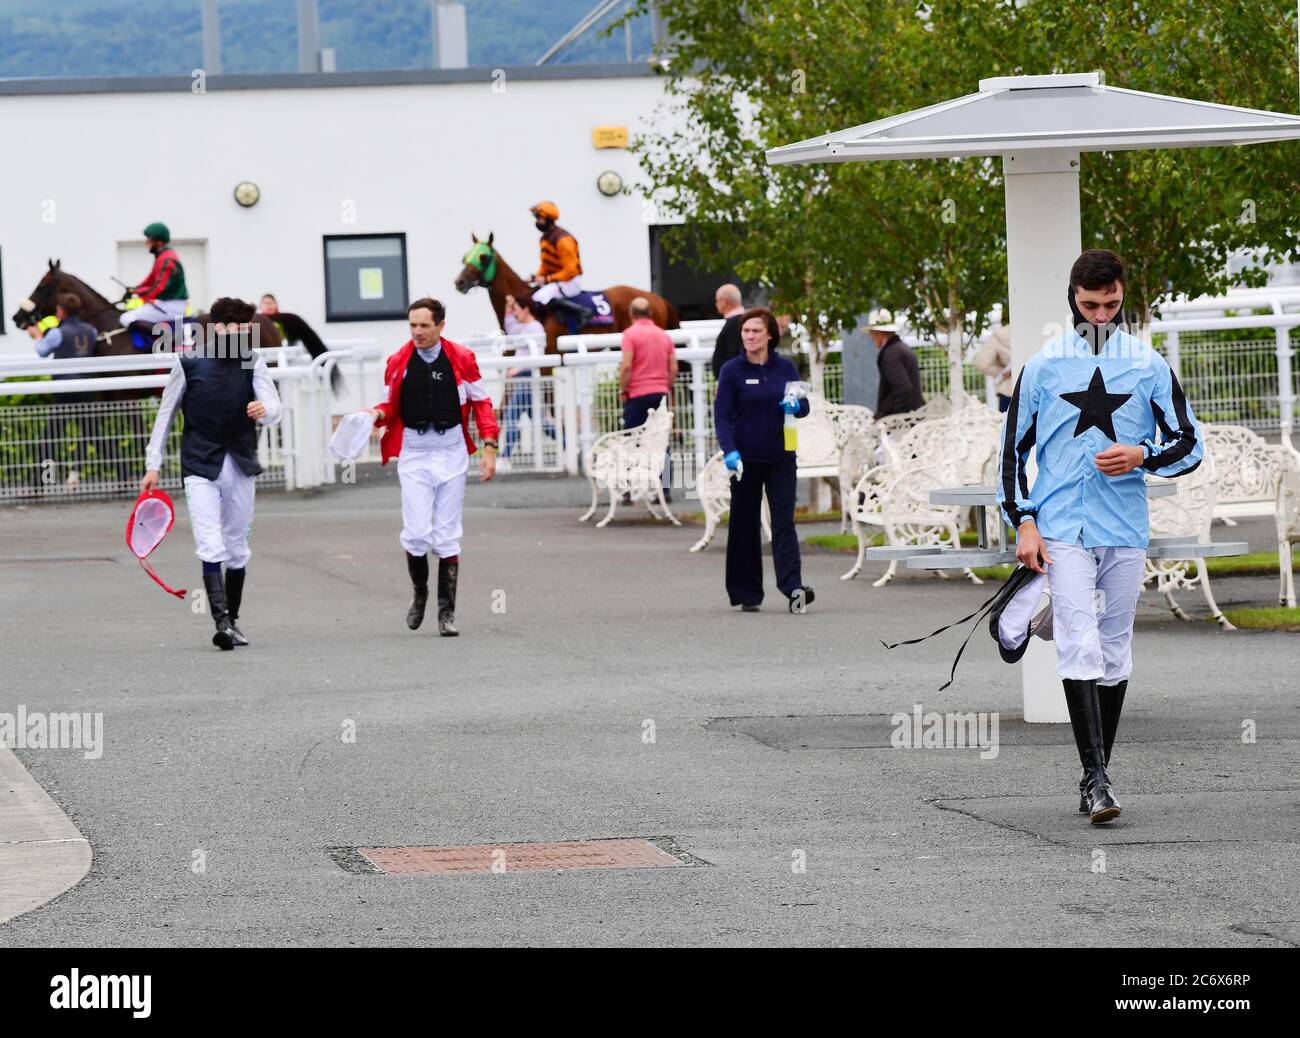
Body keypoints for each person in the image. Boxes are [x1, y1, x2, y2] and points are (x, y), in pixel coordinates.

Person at [993, 248, 1203, 824]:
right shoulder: (1041, 367)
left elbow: (1190, 444)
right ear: (1072, 299)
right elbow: (1012, 454)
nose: (1102, 314)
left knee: (1114, 646)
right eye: (1090, 305)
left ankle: (1097, 776)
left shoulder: (1148, 364)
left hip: (1125, 528)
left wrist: (1143, 454)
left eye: (1111, 303)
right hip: (1061, 527)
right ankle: (1097, 779)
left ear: (1123, 296)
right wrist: (1025, 522)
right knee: (1080, 642)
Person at [140, 297, 282, 650]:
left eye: (245, 330)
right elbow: (166, 415)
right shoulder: (188, 363)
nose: (241, 336)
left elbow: (274, 405)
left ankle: (232, 620)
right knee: (210, 541)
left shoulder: (254, 361)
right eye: (235, 329)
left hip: (242, 463)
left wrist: (266, 409)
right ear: (217, 329)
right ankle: (220, 623)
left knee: (237, 548)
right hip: (200, 466)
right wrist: (153, 463)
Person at [368, 298, 499, 637]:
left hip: (451, 450)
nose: (417, 332)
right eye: (413, 325)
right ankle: (420, 593)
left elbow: (482, 401)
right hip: (414, 452)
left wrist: (489, 446)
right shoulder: (398, 361)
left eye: (424, 325)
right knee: (415, 534)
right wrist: (377, 415)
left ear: (441, 325)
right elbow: (388, 403)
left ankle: (446, 613)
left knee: (447, 533)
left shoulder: (462, 358)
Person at [714, 307, 815, 613]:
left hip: (781, 457)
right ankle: (746, 592)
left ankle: (793, 587)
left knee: (784, 521)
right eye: (746, 331)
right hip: (744, 459)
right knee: (744, 523)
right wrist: (729, 450)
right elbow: (722, 416)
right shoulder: (732, 371)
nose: (749, 336)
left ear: (770, 334)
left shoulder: (785, 368)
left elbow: (804, 407)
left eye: (756, 331)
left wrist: (797, 405)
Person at [619, 296, 679, 500]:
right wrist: (666, 386)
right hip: (660, 393)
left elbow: (626, 366)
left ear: (631, 314)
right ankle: (665, 490)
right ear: (651, 314)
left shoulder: (629, 335)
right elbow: (674, 368)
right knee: (661, 440)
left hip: (637, 394)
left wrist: (623, 389)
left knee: (632, 440)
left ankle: (628, 489)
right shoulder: (664, 335)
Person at [500, 294, 555, 464]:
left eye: (517, 310)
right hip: (524, 378)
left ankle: (505, 458)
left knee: (511, 417)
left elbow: (537, 355)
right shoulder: (523, 327)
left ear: (526, 309)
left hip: (526, 378)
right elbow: (508, 325)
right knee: (540, 421)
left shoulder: (534, 327)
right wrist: (509, 305)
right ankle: (571, 448)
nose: (515, 314)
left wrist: (518, 368)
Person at [527, 201, 591, 327]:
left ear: (549, 219)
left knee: (538, 298)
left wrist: (546, 279)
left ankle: (583, 312)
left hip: (570, 281)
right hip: (557, 280)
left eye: (539, 218)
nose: (537, 222)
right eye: (536, 218)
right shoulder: (545, 238)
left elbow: (570, 271)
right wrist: (535, 277)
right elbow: (545, 265)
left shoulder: (563, 239)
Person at [119, 223, 188, 330]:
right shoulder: (162, 257)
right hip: (166, 303)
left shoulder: (166, 259)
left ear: (159, 242)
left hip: (171, 306)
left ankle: (166, 336)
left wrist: (136, 292)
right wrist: (134, 289)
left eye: (149, 240)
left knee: (126, 318)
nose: (146, 243)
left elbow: (159, 288)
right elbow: (150, 280)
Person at [869, 309, 924, 417]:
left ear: (878, 333)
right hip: (914, 415)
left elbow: (903, 389)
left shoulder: (891, 354)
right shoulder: (901, 348)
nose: (871, 338)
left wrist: (892, 418)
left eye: (871, 333)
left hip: (903, 422)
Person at [973, 318, 1014, 412]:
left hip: (1009, 391)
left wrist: (1004, 373)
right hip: (1036, 391)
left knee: (1008, 424)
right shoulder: (1034, 329)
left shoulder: (998, 335)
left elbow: (981, 363)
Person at [709, 283, 746, 376]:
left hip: (732, 381)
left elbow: (734, 353)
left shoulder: (734, 323)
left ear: (723, 301)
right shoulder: (739, 320)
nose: (716, 304)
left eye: (717, 301)